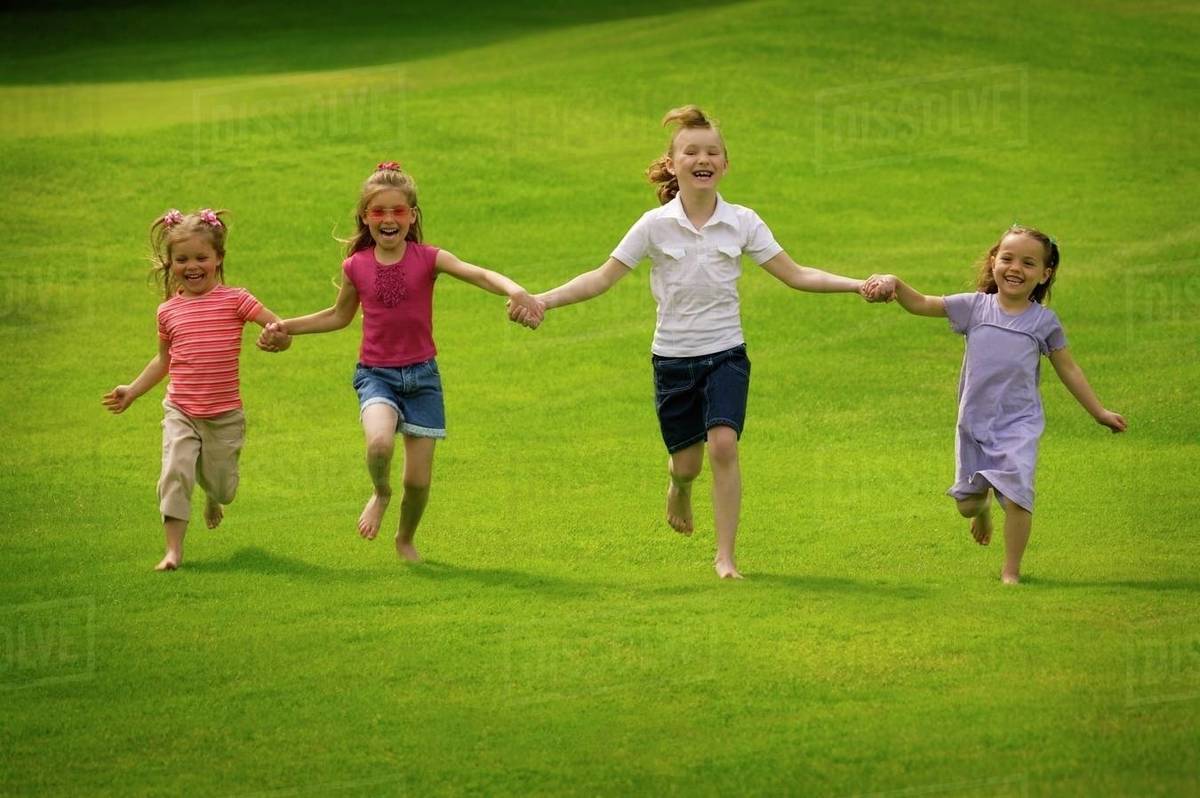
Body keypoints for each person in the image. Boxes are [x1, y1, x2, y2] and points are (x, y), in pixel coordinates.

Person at [509, 106, 888, 579]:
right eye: (691, 151)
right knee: (687, 463)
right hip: (672, 361)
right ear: (673, 164)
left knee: (724, 445)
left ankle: (725, 557)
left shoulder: (743, 221)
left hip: (726, 353)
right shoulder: (653, 225)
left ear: (725, 165)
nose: (702, 158)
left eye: (712, 152)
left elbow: (796, 273)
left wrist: (856, 285)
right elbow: (602, 278)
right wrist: (543, 301)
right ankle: (679, 485)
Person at [257, 161, 543, 562]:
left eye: (397, 211)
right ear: (365, 217)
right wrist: (285, 326)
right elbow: (338, 315)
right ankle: (380, 491)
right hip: (376, 376)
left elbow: (477, 274)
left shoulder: (428, 258)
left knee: (419, 481)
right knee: (378, 443)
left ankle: (405, 538)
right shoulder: (356, 266)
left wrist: (517, 290)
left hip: (423, 377)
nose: (388, 219)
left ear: (412, 216)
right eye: (378, 212)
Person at [863, 224, 1127, 584]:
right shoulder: (974, 307)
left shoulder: (1043, 322)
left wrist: (1099, 412)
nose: (1016, 268)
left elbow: (1069, 369)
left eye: (1029, 263)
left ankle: (1011, 572)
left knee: (1018, 497)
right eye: (1007, 258)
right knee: (966, 505)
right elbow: (923, 303)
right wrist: (896, 282)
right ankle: (982, 508)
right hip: (974, 423)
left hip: (1019, 424)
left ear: (1045, 274)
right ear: (993, 261)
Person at [104, 208, 291, 571]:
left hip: (224, 415)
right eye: (182, 259)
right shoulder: (168, 311)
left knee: (224, 489)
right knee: (175, 469)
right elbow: (163, 361)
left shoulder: (237, 299)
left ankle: (212, 497)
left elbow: (278, 327)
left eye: (201, 257)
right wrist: (133, 390)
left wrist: (278, 341)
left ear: (218, 258)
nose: (192, 266)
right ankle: (173, 551)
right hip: (181, 410)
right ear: (170, 263)